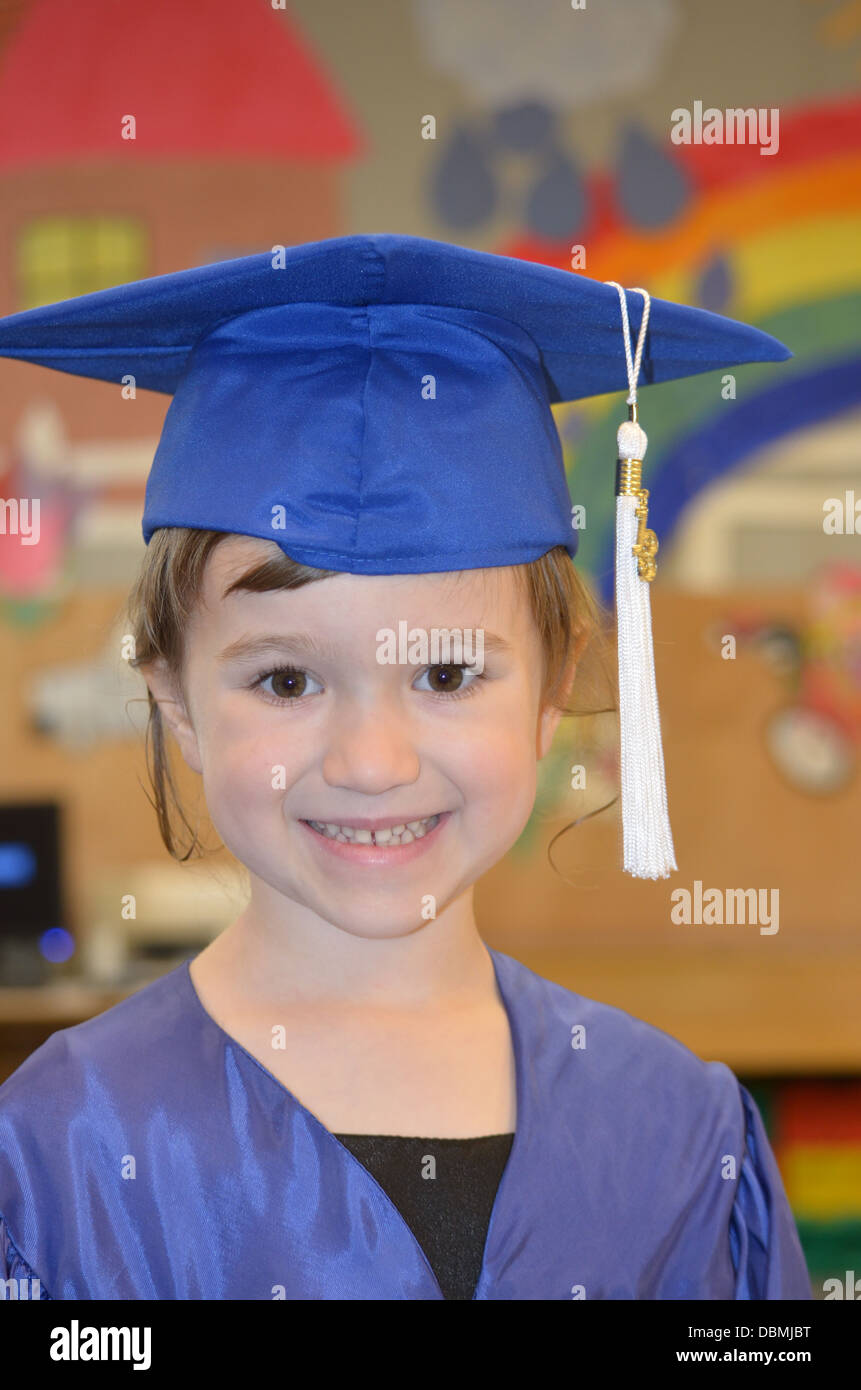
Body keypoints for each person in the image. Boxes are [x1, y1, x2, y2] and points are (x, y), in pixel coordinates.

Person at [0, 234, 811, 1299]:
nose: (372, 762)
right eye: (287, 682)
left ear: (552, 687)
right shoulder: (59, 1155)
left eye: (447, 674)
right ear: (173, 700)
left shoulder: (682, 1138)